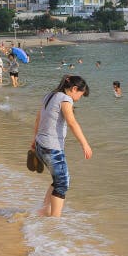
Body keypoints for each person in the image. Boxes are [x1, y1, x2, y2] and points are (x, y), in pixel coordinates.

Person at [31, 75, 92, 217]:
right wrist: (85, 144)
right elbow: (72, 122)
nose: (79, 98)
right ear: (74, 89)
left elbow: (38, 118)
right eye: (80, 95)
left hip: (41, 144)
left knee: (58, 179)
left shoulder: (49, 96)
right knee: (63, 183)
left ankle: (44, 210)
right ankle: (55, 219)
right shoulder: (66, 99)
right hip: (52, 148)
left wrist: (34, 140)